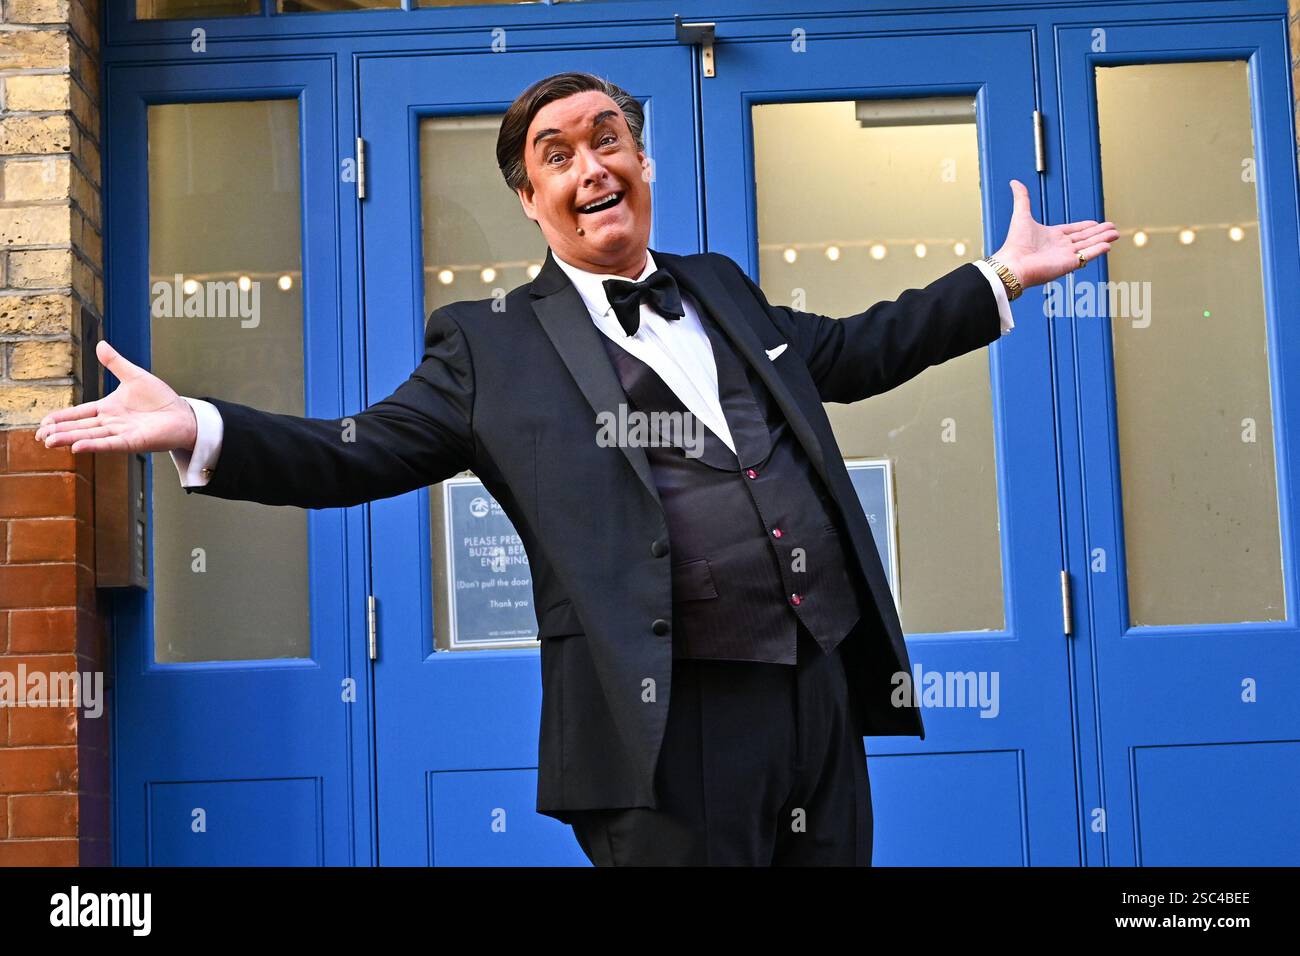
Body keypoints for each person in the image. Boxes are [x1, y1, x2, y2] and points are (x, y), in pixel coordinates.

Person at [34, 71, 1117, 866]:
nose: (591, 164)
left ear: (641, 163)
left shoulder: (721, 287)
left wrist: (998, 277)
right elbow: (352, 451)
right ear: (530, 199)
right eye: (559, 153)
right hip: (664, 723)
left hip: (819, 688)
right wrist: (198, 424)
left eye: (609, 139)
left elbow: (855, 347)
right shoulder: (489, 343)